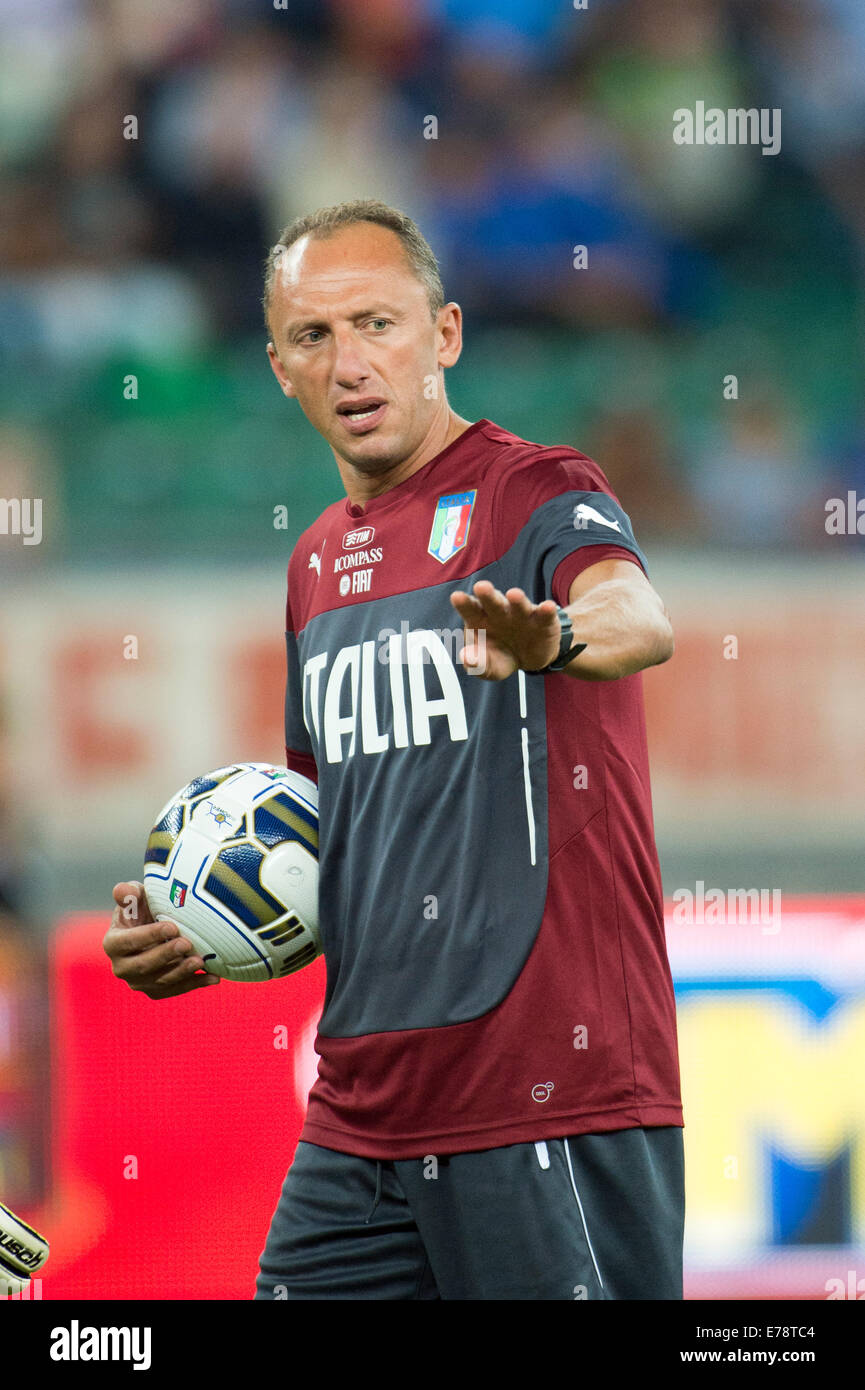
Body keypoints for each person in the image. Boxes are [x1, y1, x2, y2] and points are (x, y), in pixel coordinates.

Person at [103, 199, 684, 1301]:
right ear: (277, 365)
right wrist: (202, 936)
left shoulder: (536, 489)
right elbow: (337, 837)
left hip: (545, 1091)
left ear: (445, 335)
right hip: (362, 1114)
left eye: (378, 323)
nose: (351, 362)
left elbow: (639, 620)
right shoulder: (316, 564)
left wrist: (553, 634)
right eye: (315, 337)